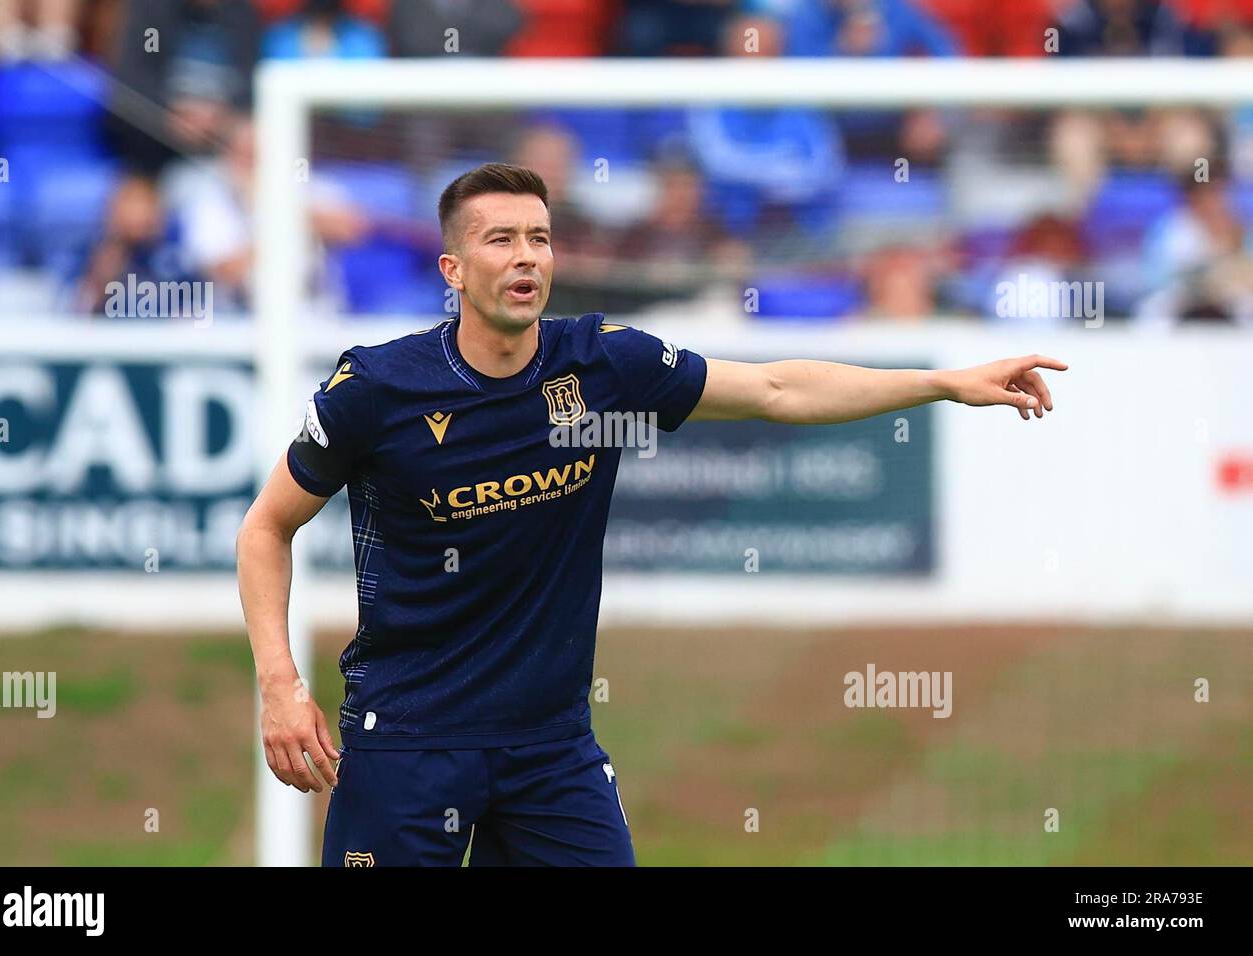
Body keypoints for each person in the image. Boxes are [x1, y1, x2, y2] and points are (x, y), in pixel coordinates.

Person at [236, 163, 1067, 867]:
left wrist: (940, 382)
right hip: (407, 739)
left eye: (540, 238)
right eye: (501, 240)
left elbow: (777, 389)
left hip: (549, 747)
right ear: (452, 269)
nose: (527, 257)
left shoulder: (603, 365)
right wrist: (279, 684)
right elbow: (266, 528)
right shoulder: (378, 389)